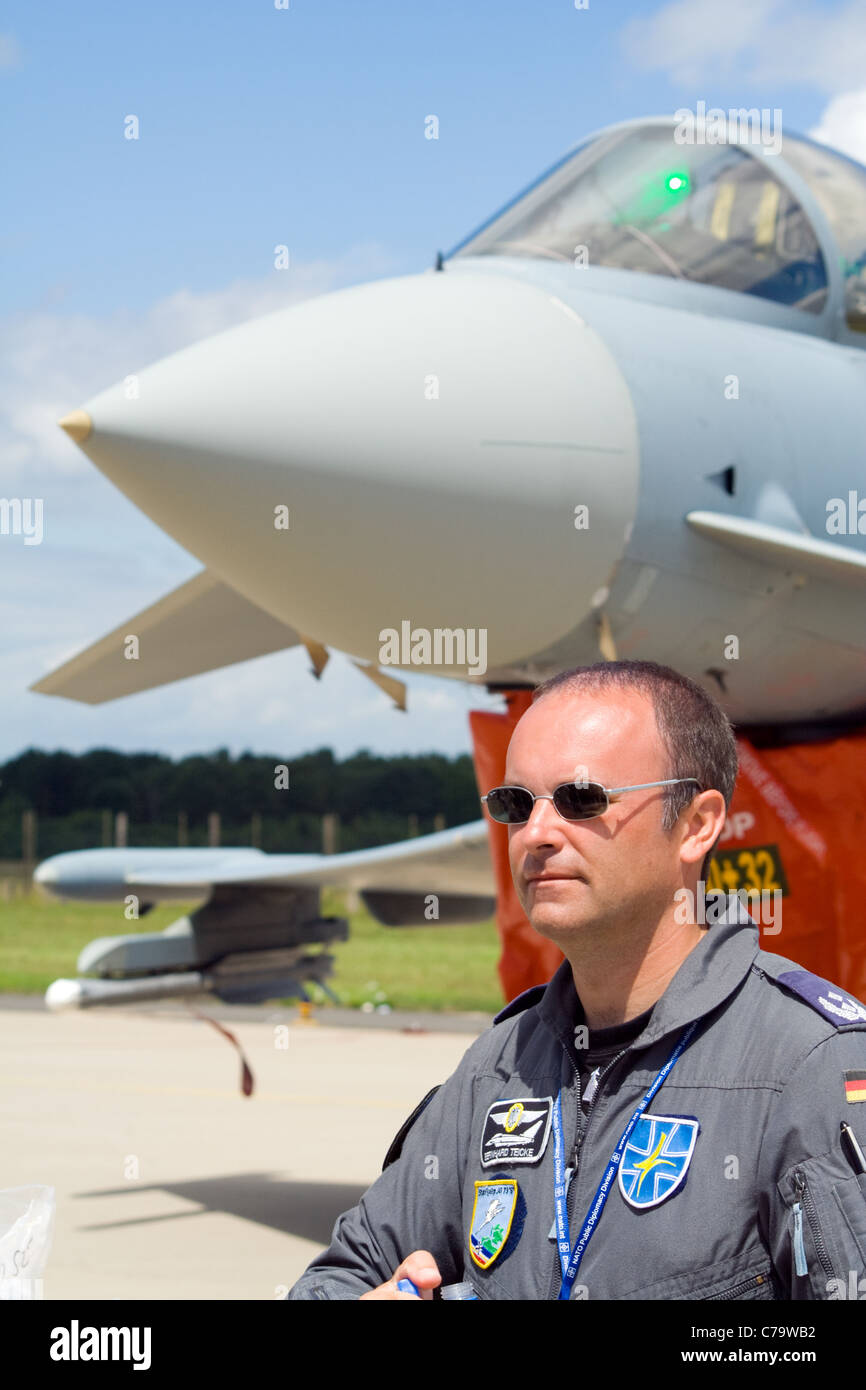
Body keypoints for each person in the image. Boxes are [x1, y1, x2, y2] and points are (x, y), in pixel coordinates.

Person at [287, 660, 866, 1301]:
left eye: (581, 799)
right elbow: (341, 1275)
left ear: (698, 825)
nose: (535, 834)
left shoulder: (811, 1063)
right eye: (514, 804)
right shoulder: (498, 1067)